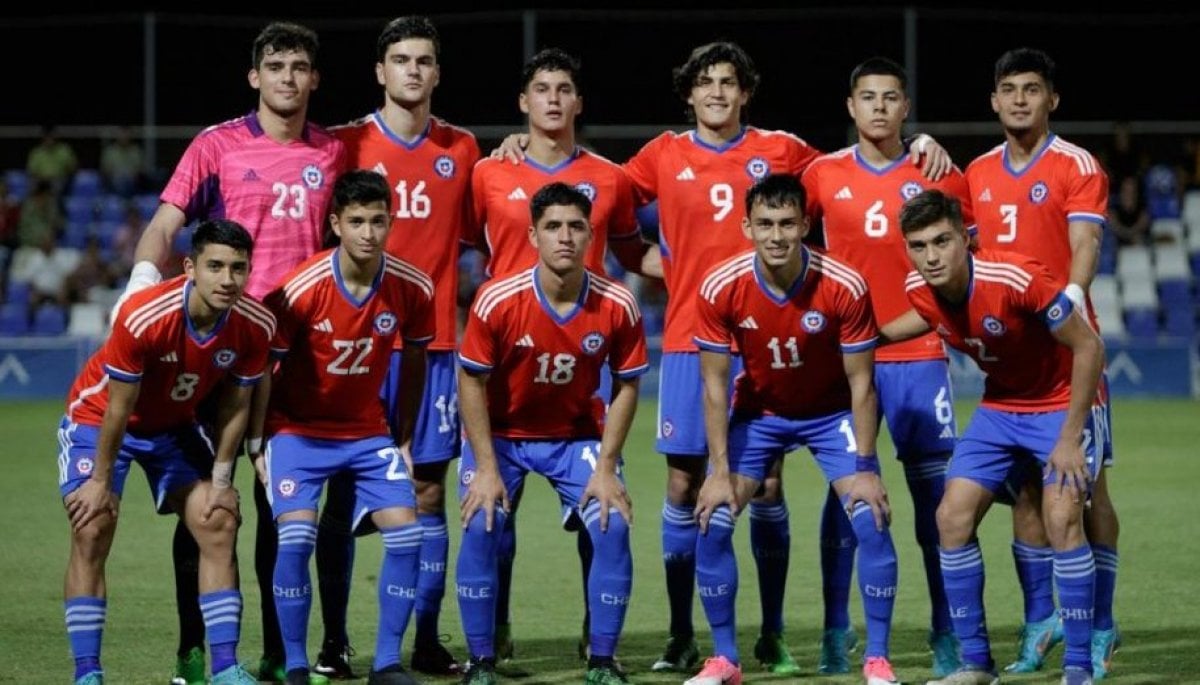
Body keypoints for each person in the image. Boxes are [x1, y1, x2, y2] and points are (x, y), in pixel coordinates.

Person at [494, 40, 950, 675]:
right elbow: (602, 211)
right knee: (687, 485)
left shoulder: (784, 151)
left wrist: (916, 144)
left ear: (745, 92)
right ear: (688, 93)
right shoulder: (660, 155)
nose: (716, 92)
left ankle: (771, 633)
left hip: (768, 341)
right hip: (694, 339)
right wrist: (525, 148)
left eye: (728, 82)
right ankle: (684, 634)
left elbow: (853, 170)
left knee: (766, 483)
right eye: (705, 82)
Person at [117, 21, 346, 684]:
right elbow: (166, 222)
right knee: (205, 502)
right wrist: (139, 284)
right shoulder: (215, 144)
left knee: (282, 507)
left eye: (299, 67)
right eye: (275, 66)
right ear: (254, 76)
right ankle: (194, 651)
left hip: (297, 355)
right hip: (215, 353)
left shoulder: (334, 150)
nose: (287, 77)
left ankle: (279, 651)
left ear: (314, 79)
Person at [468, 47, 660, 663]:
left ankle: (594, 631)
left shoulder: (610, 177)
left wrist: (701, 272)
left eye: (564, 89)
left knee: (600, 512)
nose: (553, 99)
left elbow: (632, 253)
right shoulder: (487, 172)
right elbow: (461, 244)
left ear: (578, 101)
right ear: (523, 102)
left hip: (580, 366)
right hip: (505, 362)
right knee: (491, 516)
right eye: (541, 89)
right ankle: (494, 630)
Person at [887, 189, 1104, 685]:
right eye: (918, 246)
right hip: (1001, 408)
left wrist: (1070, 438)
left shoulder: (1015, 278)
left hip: (1058, 405)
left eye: (942, 241)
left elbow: (1089, 347)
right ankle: (977, 664)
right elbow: (927, 316)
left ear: (966, 239)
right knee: (950, 517)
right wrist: (869, 337)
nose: (931, 256)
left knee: (1061, 519)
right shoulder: (920, 288)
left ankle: (1077, 669)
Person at [689, 174, 899, 685]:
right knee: (713, 517)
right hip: (760, 415)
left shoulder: (844, 284)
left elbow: (862, 382)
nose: (776, 235)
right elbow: (714, 386)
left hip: (832, 415)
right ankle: (725, 660)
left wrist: (867, 467)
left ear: (806, 224)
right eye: (765, 224)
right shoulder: (720, 286)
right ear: (747, 227)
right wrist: (718, 472)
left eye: (787, 223)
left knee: (871, 517)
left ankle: (876, 659)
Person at [800, 56, 973, 677]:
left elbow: (967, 264)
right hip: (848, 361)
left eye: (890, 97)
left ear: (906, 107)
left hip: (919, 359)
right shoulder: (821, 174)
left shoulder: (938, 174)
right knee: (846, 497)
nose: (878, 107)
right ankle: (834, 629)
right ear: (851, 106)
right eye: (867, 97)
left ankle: (945, 631)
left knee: (937, 506)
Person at [323, 15, 480, 677]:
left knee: (426, 491)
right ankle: (334, 640)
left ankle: (427, 637)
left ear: (437, 73)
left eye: (423, 60)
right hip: (354, 346)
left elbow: (484, 229)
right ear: (380, 71)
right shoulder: (345, 144)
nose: (412, 70)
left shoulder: (463, 148)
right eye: (401, 60)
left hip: (432, 347)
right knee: (340, 490)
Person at [58, 219, 273, 685]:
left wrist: (222, 481)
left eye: (238, 268)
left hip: (172, 425)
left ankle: (224, 668)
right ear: (190, 267)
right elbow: (119, 408)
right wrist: (100, 481)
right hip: (99, 419)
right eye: (215, 266)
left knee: (218, 520)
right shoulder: (145, 317)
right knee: (92, 526)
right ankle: (87, 672)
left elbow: (236, 404)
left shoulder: (256, 325)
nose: (227, 279)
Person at [965, 47, 1118, 679]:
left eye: (1032, 89)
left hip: (1068, 352)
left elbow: (1085, 241)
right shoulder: (976, 172)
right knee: (1026, 496)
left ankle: (1101, 626)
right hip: (1010, 364)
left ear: (1052, 99)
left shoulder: (1075, 165)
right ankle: (1039, 624)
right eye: (1009, 89)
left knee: (1084, 493)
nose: (1020, 99)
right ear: (994, 101)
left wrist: (1071, 299)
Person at [454, 182, 646, 685]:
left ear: (591, 236)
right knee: (480, 522)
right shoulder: (497, 299)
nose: (565, 237)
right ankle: (481, 661)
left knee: (612, 523)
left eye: (576, 227)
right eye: (553, 227)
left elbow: (627, 384)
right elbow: (470, 380)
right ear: (532, 236)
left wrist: (607, 468)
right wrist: (486, 468)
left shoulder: (617, 302)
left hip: (576, 436)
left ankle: (602, 660)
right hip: (501, 437)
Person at [249, 170, 434, 685]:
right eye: (356, 222)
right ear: (335, 224)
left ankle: (387, 663)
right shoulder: (299, 290)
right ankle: (295, 665)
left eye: (378, 221)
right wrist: (257, 444)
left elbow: (415, 360)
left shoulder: (412, 287)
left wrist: (403, 438)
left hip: (367, 433)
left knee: (408, 534)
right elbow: (262, 368)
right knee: (296, 539)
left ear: (391, 222)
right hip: (298, 432)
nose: (368, 233)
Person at [26, 125, 78, 197]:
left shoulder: (64, 150)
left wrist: (63, 174)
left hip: (59, 180)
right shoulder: (36, 152)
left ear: (56, 137)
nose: (49, 139)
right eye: (47, 137)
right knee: (32, 184)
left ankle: (54, 203)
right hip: (41, 180)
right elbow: (31, 170)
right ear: (43, 138)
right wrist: (42, 178)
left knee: (57, 186)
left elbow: (72, 167)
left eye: (51, 136)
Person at [99, 126, 146, 197]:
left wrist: (130, 175)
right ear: (117, 135)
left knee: (128, 181)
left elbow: (140, 169)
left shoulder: (136, 151)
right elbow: (105, 170)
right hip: (114, 181)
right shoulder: (110, 151)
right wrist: (117, 175)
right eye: (121, 134)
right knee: (119, 181)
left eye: (126, 134)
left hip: (132, 182)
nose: (124, 137)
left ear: (130, 135)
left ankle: (128, 199)